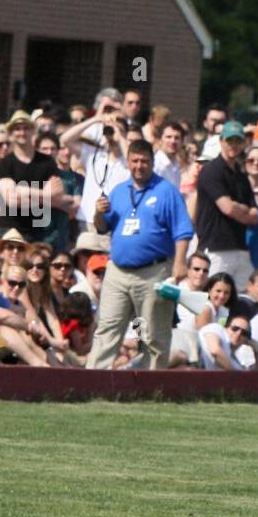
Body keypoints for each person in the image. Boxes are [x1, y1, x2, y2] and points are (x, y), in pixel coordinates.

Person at [87, 140, 194, 369]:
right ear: (128, 162)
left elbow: (183, 230)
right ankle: (93, 382)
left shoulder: (166, 191)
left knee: (153, 334)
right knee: (107, 328)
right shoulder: (118, 191)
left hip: (154, 271)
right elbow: (102, 227)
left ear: (152, 162)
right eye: (135, 160)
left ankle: (150, 386)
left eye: (144, 161)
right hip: (117, 270)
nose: (139, 165)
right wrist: (98, 212)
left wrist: (180, 262)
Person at [195, 120, 258, 290]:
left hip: (240, 247)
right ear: (221, 141)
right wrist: (242, 209)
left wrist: (239, 208)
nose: (234, 145)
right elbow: (227, 208)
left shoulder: (241, 175)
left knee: (243, 300)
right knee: (213, 300)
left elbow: (254, 216)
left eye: (238, 141)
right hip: (216, 249)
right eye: (230, 140)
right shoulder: (211, 170)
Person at [0, 111, 70, 245]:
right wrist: (45, 195)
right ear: (11, 134)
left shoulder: (47, 162)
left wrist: (22, 191)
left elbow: (57, 197)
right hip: (9, 229)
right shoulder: (5, 163)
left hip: (39, 231)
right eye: (17, 129)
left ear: (33, 131)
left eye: (26, 128)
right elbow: (11, 200)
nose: (22, 132)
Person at [60, 90, 131, 229]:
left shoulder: (128, 157)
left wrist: (121, 136)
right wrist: (96, 119)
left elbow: (133, 165)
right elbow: (65, 139)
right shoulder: (94, 152)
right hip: (88, 219)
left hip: (118, 221)